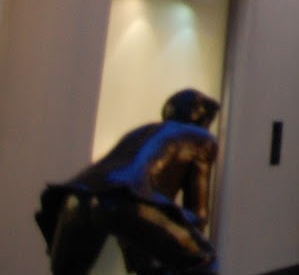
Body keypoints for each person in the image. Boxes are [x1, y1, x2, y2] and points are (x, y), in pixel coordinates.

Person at [35, 89, 221, 275]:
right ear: (200, 116)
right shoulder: (200, 138)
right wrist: (186, 236)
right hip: (128, 200)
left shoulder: (141, 132)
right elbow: (198, 213)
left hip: (78, 197)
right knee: (203, 260)